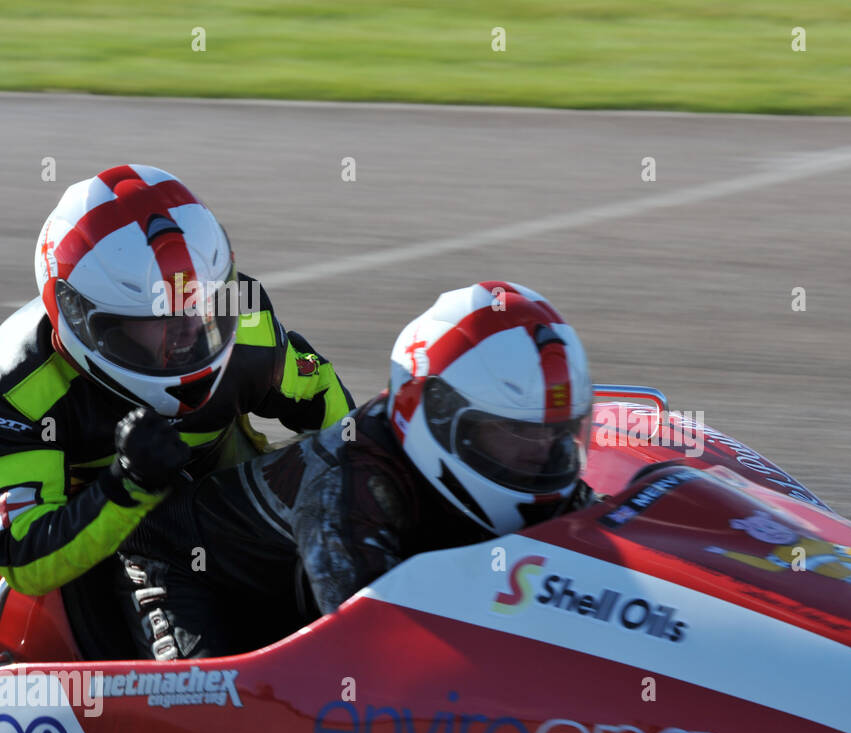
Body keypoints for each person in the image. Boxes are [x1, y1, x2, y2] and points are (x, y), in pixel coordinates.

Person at [112, 281, 595, 659]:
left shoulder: (523, 463)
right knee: (213, 724)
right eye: (519, 431)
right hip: (175, 560)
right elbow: (377, 656)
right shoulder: (346, 490)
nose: (542, 452)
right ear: (444, 419)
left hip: (293, 585)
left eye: (557, 433)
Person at [0, 164, 353, 658]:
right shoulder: (20, 393)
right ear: (84, 321)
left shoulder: (248, 326)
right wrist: (127, 486)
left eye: (201, 307)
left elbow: (333, 408)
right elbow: (24, 559)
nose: (191, 331)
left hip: (230, 510)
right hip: (97, 559)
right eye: (162, 318)